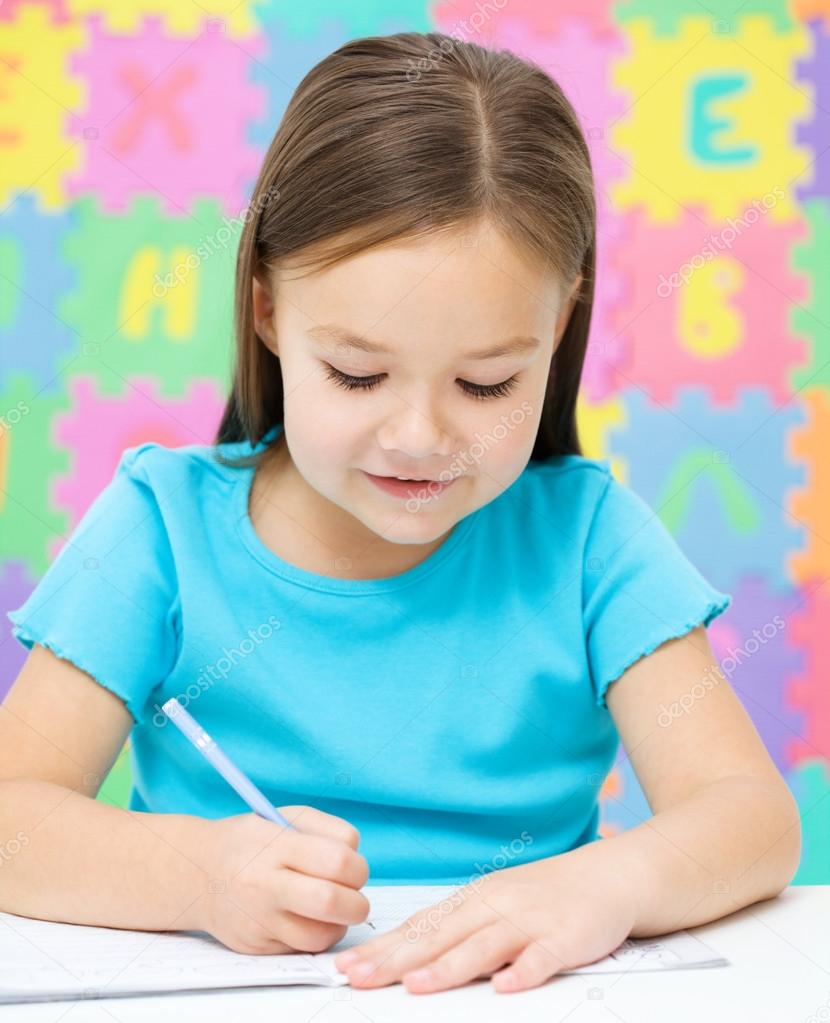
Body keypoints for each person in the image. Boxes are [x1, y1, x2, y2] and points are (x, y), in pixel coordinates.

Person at [1, 30, 799, 996]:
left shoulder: (592, 544)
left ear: (557, 328)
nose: (419, 437)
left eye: (486, 382)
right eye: (357, 372)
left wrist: (610, 883)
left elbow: (751, 817)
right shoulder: (159, 531)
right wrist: (199, 876)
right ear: (266, 311)